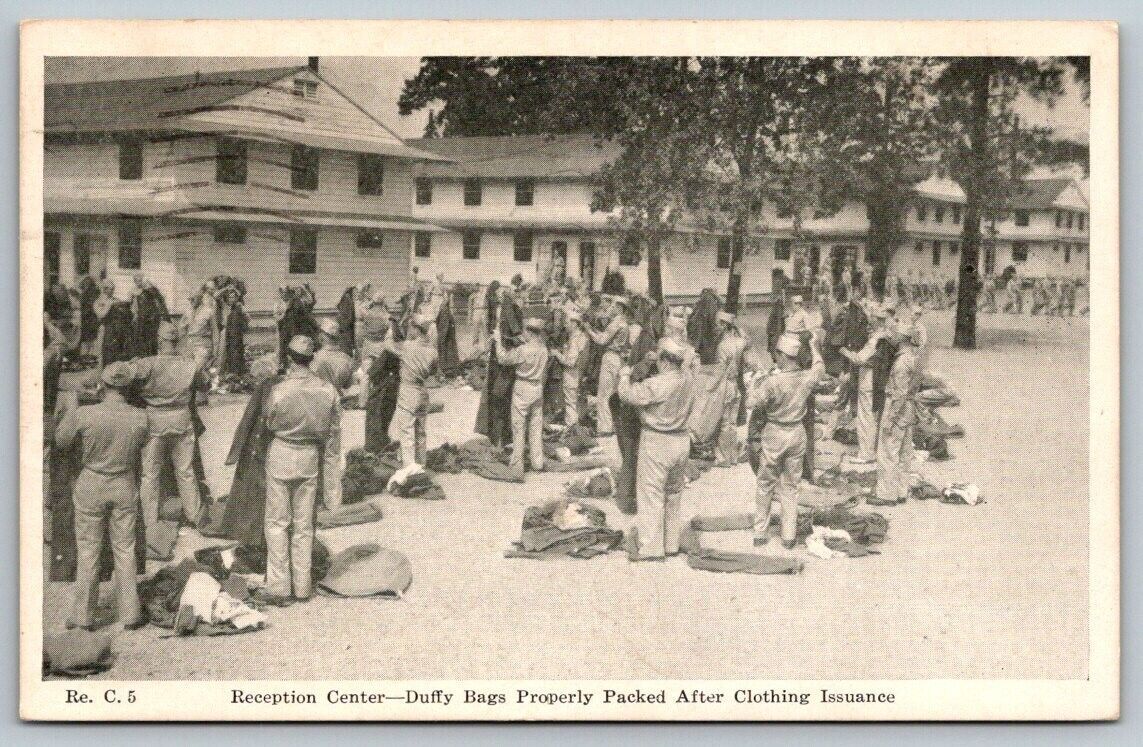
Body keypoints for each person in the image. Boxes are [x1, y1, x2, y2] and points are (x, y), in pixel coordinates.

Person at [54, 362, 149, 630]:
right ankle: (130, 613)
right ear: (128, 388)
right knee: (125, 548)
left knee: (88, 549)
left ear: (102, 386)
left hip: (92, 481)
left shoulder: (85, 414)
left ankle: (83, 615)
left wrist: (73, 406)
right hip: (123, 482)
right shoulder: (140, 417)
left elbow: (61, 442)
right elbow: (142, 446)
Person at [259, 335, 341, 605]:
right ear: (311, 358)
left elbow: (269, 422)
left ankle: (279, 586)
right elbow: (333, 436)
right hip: (310, 457)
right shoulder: (328, 391)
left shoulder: (279, 391)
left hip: (282, 452)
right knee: (304, 525)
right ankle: (303, 586)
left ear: (290, 359)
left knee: (276, 523)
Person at [617, 336, 696, 560]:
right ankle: (671, 543)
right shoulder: (688, 378)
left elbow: (627, 395)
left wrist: (624, 375)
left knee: (651, 494)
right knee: (673, 493)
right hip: (681, 440)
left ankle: (650, 548)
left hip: (658, 441)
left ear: (664, 360)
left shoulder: (659, 383)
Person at [748, 329, 826, 548]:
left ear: (782, 355)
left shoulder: (773, 382)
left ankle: (760, 532)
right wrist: (813, 346)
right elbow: (820, 366)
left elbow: (751, 403)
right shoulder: (806, 377)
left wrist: (756, 382)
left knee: (765, 482)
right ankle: (788, 536)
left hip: (775, 431)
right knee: (791, 485)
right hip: (797, 432)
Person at [131, 321, 205, 544]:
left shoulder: (148, 364)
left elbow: (125, 376)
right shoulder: (188, 364)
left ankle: (149, 520)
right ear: (176, 341)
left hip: (155, 419)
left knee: (150, 474)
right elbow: (203, 386)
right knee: (186, 471)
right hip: (181, 418)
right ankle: (194, 516)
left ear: (159, 340)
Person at [869, 320, 924, 506]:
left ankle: (886, 494)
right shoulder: (914, 357)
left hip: (897, 408)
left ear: (902, 338)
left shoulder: (901, 363)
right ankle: (901, 491)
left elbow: (899, 395)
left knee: (888, 451)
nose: (891, 337)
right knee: (904, 453)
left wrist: (889, 419)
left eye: (894, 335)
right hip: (908, 408)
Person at [495, 316, 549, 480]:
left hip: (522, 386)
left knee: (518, 427)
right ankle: (537, 463)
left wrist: (498, 341)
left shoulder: (523, 350)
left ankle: (517, 464)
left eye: (525, 330)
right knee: (536, 426)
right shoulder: (543, 348)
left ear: (530, 332)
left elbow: (503, 359)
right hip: (537, 387)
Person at [839, 304, 893, 464]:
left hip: (868, 380)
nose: (870, 322)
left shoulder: (876, 338)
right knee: (874, 416)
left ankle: (866, 454)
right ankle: (873, 450)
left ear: (878, 321)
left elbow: (860, 359)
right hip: (878, 380)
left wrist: (845, 352)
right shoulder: (887, 335)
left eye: (873, 319)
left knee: (865, 417)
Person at [389, 313, 438, 467]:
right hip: (422, 391)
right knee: (421, 432)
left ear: (416, 329)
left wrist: (389, 333)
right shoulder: (433, 351)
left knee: (406, 432)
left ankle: (409, 469)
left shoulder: (408, 347)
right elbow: (433, 372)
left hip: (408, 391)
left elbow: (389, 346)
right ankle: (421, 466)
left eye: (411, 327)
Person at [588, 296, 632, 436]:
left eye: (613, 306)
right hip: (618, 358)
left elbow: (602, 340)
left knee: (603, 394)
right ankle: (612, 425)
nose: (610, 309)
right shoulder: (624, 323)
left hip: (610, 357)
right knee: (613, 393)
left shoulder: (616, 323)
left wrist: (588, 330)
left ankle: (605, 428)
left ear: (619, 308)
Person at [713, 311, 748, 467]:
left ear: (723, 325)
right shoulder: (740, 342)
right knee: (732, 423)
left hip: (726, 385)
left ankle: (723, 458)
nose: (716, 327)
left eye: (718, 324)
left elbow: (719, 372)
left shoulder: (722, 346)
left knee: (723, 422)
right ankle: (733, 456)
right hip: (736, 385)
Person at [549, 308, 588, 428]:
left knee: (570, 403)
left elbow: (570, 362)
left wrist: (557, 354)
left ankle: (572, 430)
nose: (565, 326)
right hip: (575, 374)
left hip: (571, 375)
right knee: (572, 402)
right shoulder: (578, 337)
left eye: (567, 323)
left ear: (574, 323)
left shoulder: (575, 339)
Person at [130, 273, 169, 359]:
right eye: (136, 280)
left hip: (151, 319)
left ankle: (151, 358)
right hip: (140, 320)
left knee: (151, 341)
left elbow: (160, 301)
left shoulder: (150, 290)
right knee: (140, 341)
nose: (138, 282)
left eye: (139, 280)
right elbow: (133, 306)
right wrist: (134, 315)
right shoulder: (134, 292)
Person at [217, 284, 249, 387]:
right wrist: (226, 288)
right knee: (223, 353)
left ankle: (235, 375)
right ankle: (222, 375)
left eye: (233, 297)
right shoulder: (224, 305)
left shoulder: (239, 306)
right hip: (225, 331)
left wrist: (242, 325)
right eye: (230, 297)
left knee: (236, 353)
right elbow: (217, 296)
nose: (232, 299)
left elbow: (248, 318)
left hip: (236, 332)